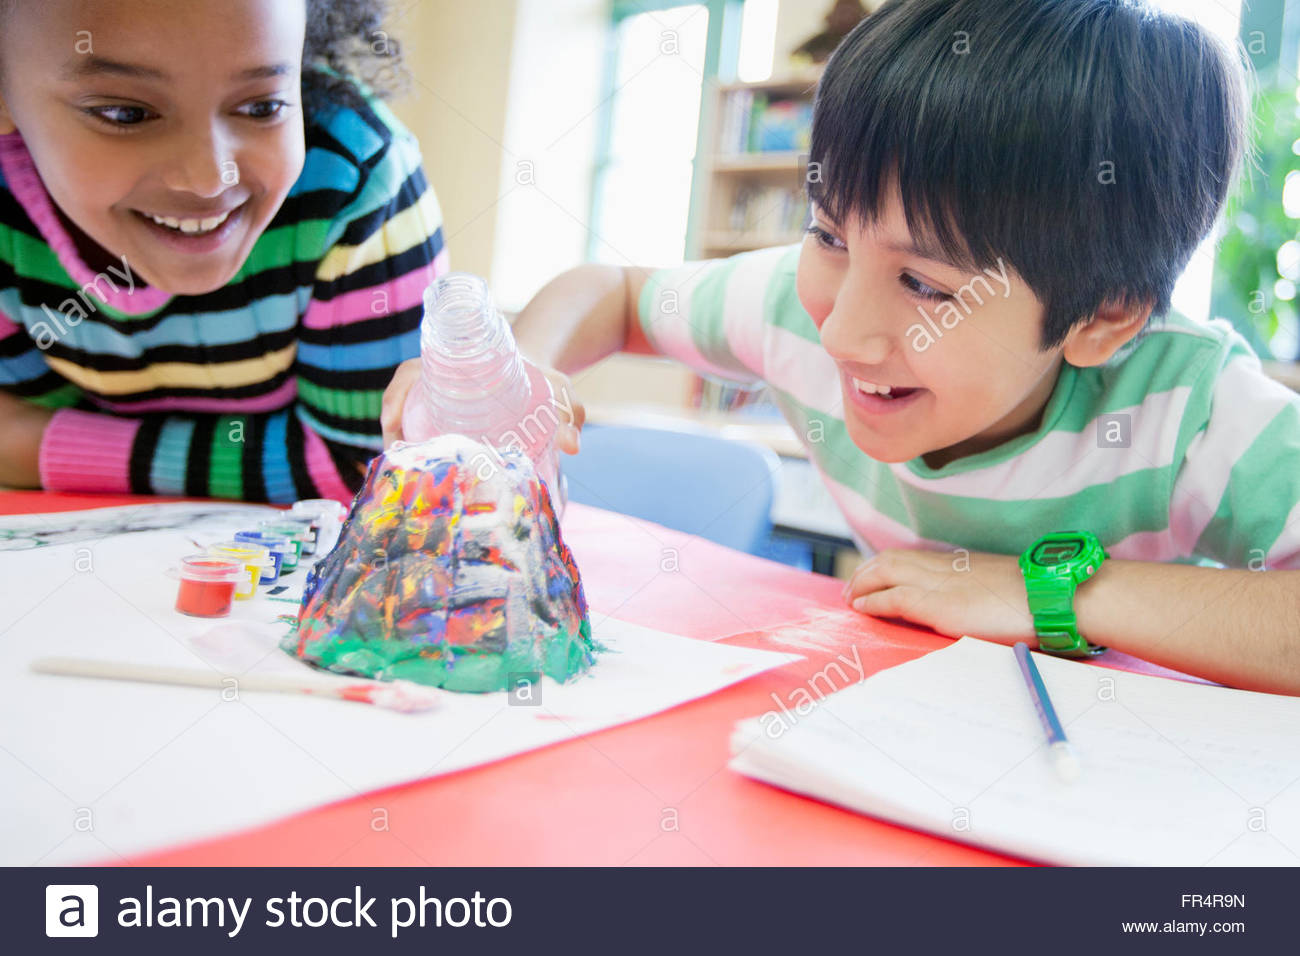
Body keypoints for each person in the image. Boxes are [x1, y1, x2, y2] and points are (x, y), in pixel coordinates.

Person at [387, 0, 1300, 695]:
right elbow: (615, 292)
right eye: (828, 232)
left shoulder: (1194, 408)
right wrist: (526, 364)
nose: (839, 330)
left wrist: (1048, 595)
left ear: (1103, 315)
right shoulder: (793, 301)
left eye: (927, 286)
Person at [0, 0, 446, 502]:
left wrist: (35, 444)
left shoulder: (360, 179)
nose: (209, 177)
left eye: (262, 107)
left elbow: (371, 465)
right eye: (127, 114)